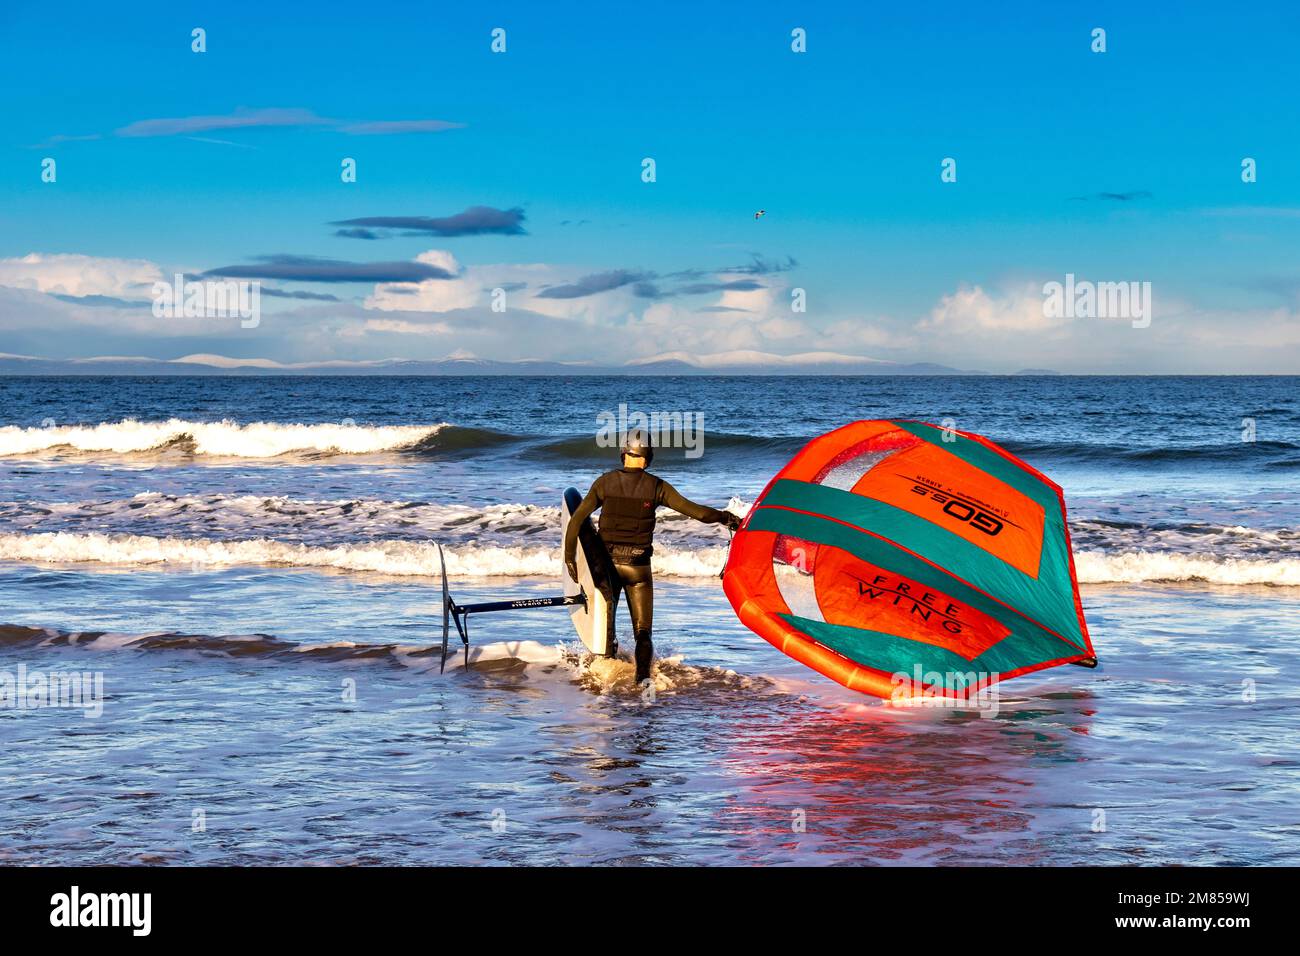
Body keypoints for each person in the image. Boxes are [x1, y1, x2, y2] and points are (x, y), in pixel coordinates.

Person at [564, 428, 741, 685]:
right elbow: (699, 514)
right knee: (643, 633)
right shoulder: (657, 487)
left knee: (604, 629)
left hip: (607, 568)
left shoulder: (605, 482)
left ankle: (602, 678)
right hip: (638, 569)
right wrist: (728, 518)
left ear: (623, 453)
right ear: (648, 456)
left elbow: (576, 521)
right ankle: (643, 681)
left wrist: (571, 559)